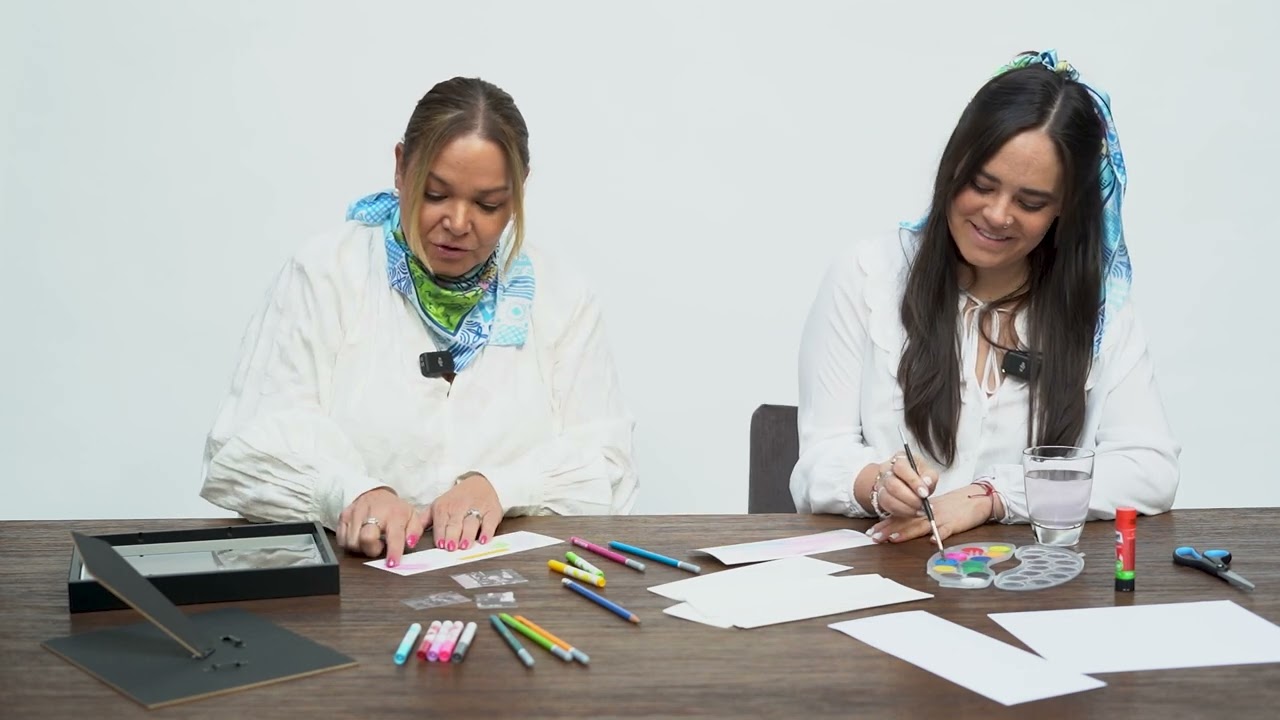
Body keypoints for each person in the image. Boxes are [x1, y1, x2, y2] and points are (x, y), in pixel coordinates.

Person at [200, 77, 637, 566]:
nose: (457, 221)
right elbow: (243, 450)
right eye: (434, 193)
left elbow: (610, 466)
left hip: (513, 588)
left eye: (488, 204)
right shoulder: (325, 273)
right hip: (349, 594)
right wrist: (350, 493)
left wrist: (503, 488)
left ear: (518, 192)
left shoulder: (562, 295)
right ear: (401, 168)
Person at [790, 50, 1179, 544]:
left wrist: (990, 497)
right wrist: (879, 484)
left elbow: (1150, 469)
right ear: (954, 167)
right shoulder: (867, 274)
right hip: (886, 579)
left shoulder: (1101, 312)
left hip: (1032, 590)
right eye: (981, 184)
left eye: (1030, 202)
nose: (997, 215)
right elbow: (817, 462)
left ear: (1065, 209)